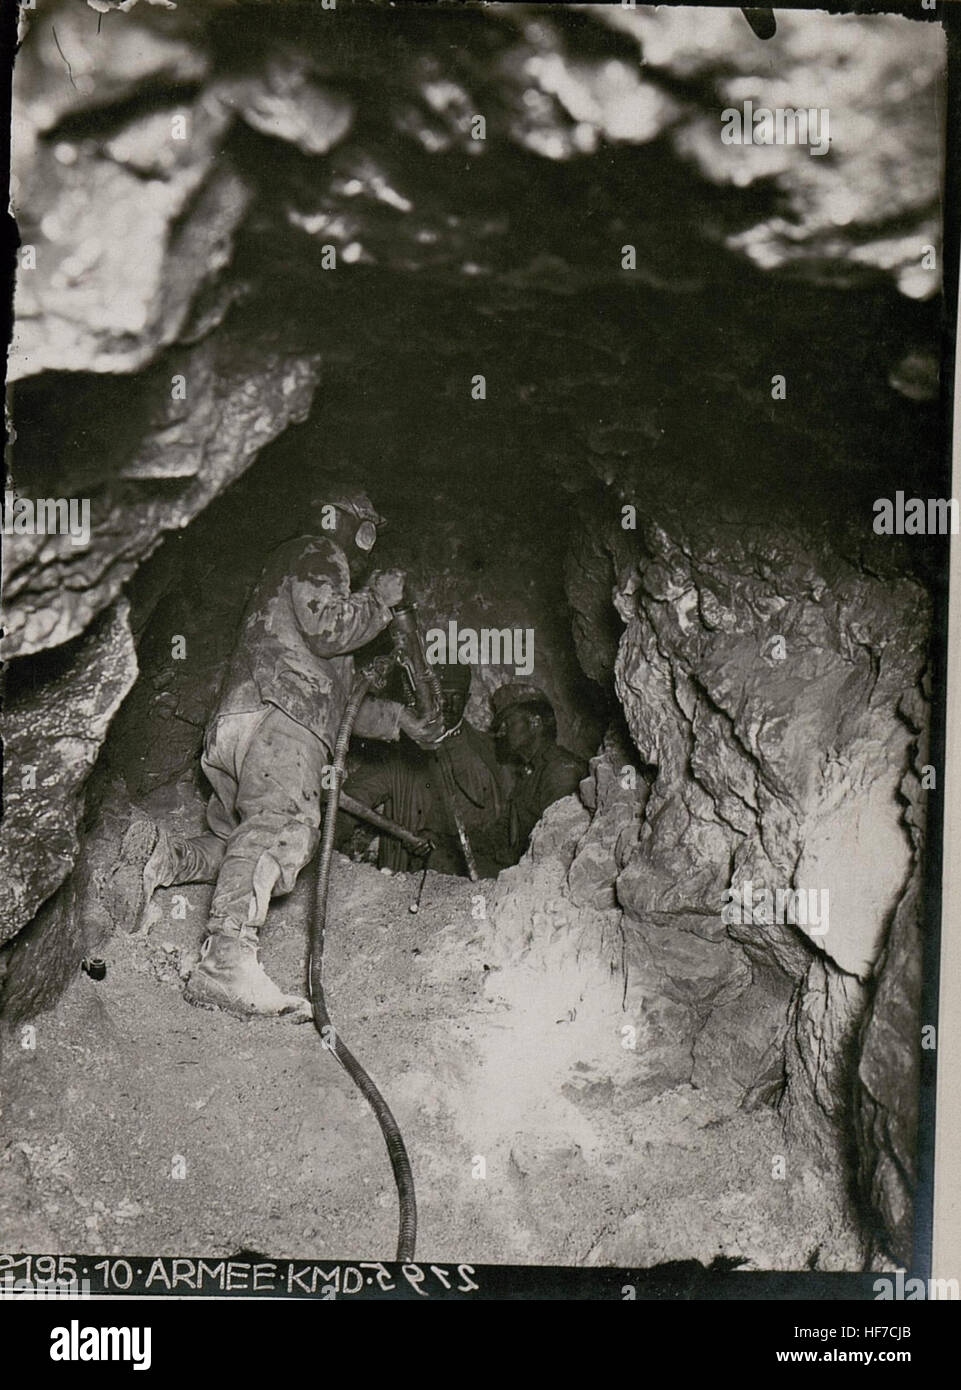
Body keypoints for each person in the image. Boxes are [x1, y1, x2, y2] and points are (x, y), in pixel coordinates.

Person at [137, 492, 435, 1020]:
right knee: (282, 828)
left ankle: (160, 858)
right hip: (281, 724)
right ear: (344, 521)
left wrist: (397, 721)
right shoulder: (319, 553)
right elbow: (327, 630)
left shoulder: (301, 582)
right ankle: (224, 962)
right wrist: (380, 601)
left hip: (250, 721)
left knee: (237, 841)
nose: (369, 542)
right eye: (366, 528)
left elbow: (336, 703)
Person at [339, 663, 509, 879]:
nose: (445, 703)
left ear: (466, 698)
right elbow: (349, 802)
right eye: (439, 696)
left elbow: (506, 829)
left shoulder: (489, 751)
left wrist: (445, 846)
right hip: (407, 881)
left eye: (454, 695)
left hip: (473, 881)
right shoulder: (400, 754)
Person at [489, 682, 587, 862]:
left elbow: (556, 846)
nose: (501, 732)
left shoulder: (561, 771)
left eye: (508, 722)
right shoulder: (530, 771)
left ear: (535, 722)